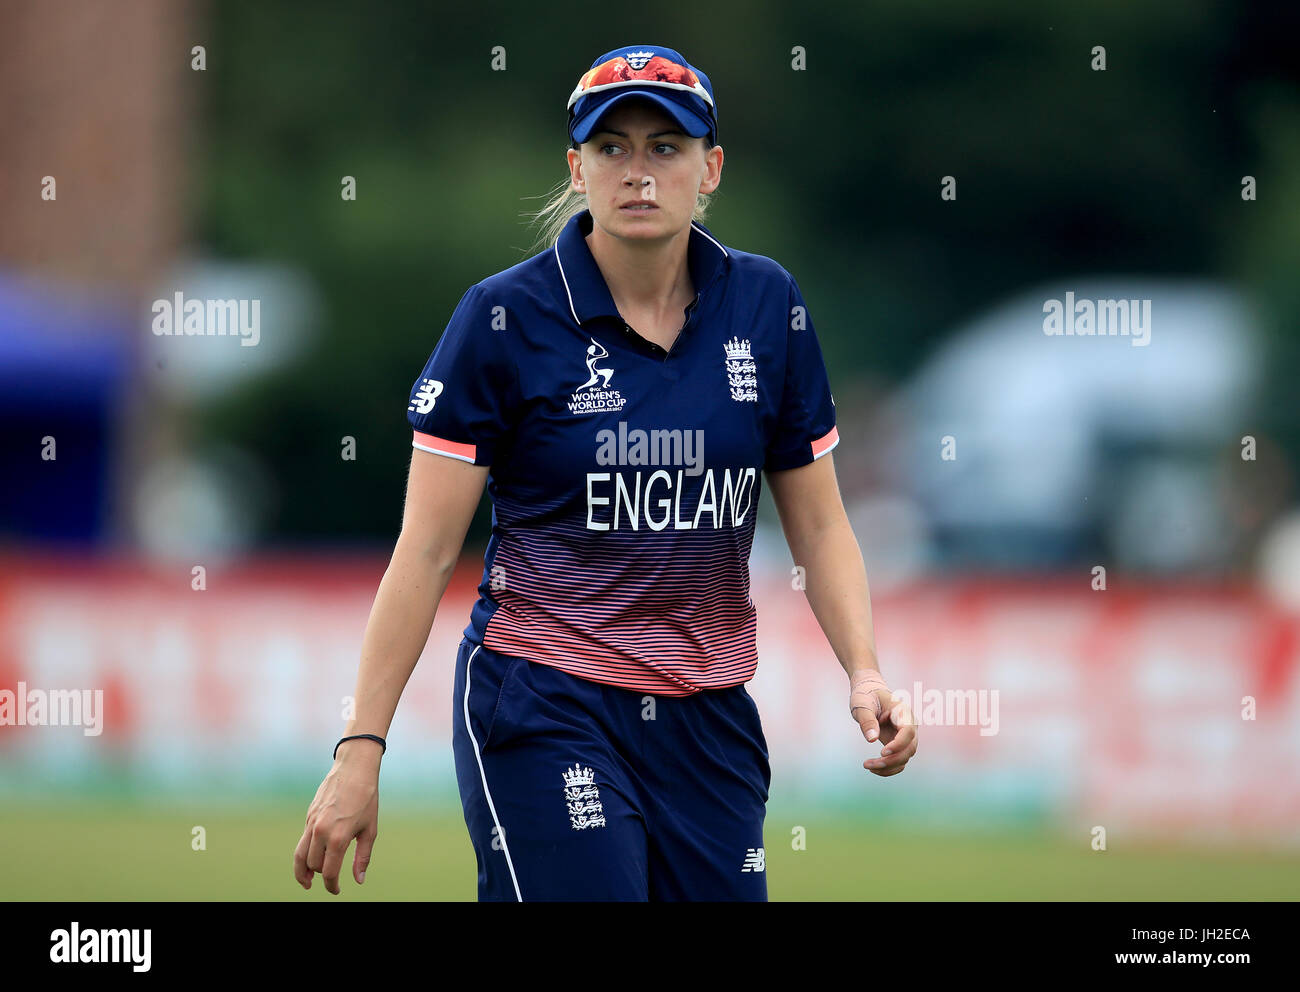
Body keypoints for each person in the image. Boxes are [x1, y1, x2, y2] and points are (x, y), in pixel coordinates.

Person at [293, 43, 917, 901]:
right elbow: (426, 552)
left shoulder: (770, 305)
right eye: (612, 147)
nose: (639, 171)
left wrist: (865, 670)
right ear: (576, 169)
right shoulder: (502, 318)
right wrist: (360, 750)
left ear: (712, 170)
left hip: (709, 717)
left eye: (666, 147)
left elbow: (817, 522)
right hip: (545, 701)